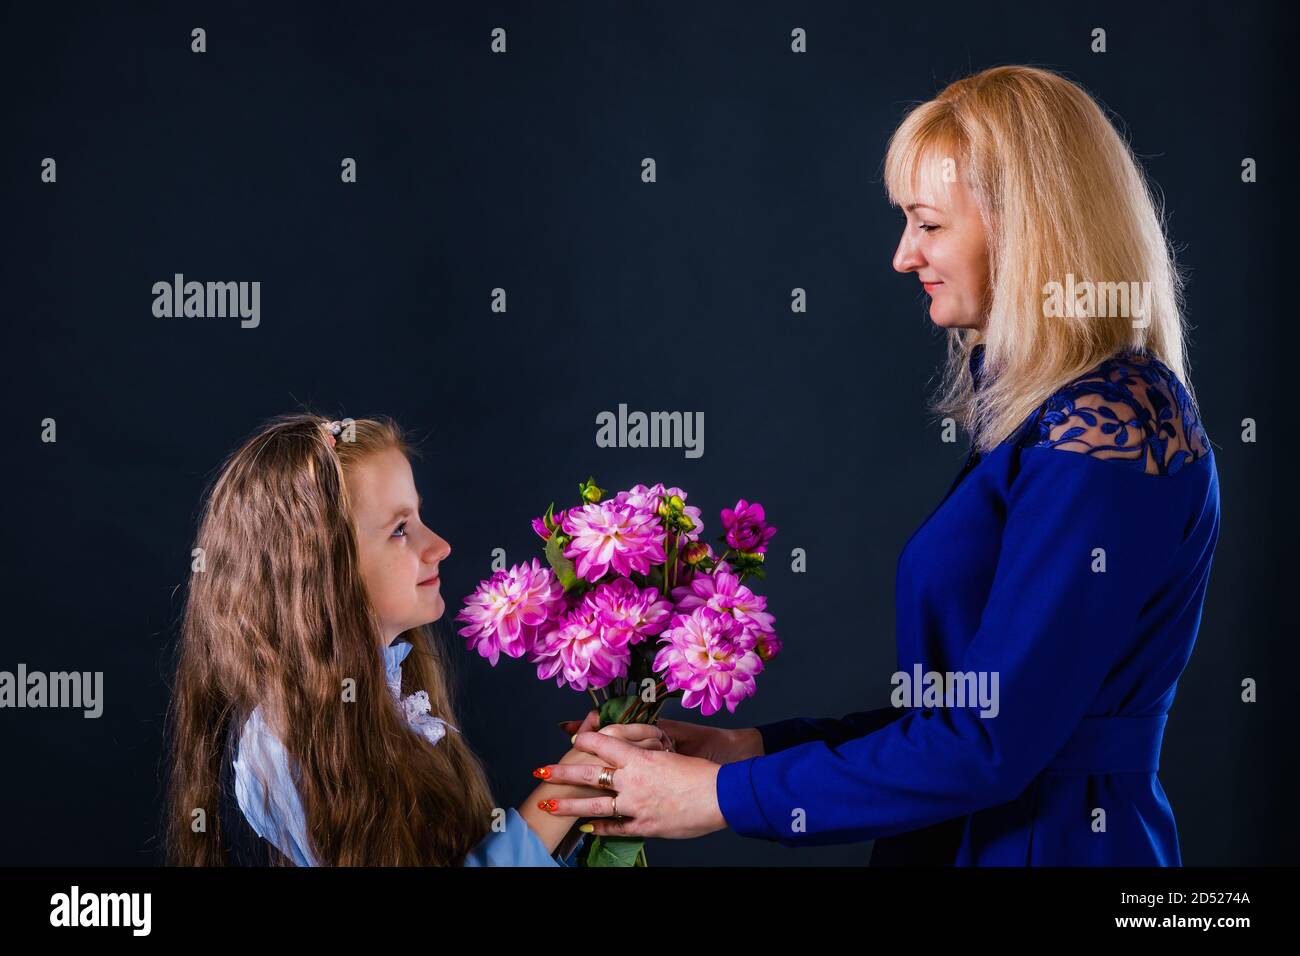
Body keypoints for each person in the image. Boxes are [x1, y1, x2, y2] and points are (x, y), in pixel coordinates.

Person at [542, 65, 1220, 865]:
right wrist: (749, 751)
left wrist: (720, 800)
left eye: (927, 225)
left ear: (1024, 227)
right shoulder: (1056, 414)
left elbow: (986, 745)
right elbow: (972, 711)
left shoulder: (1105, 430)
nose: (905, 256)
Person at [165, 413, 665, 866]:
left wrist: (591, 790)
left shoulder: (391, 689)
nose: (440, 546)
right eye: (401, 529)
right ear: (317, 570)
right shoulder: (283, 743)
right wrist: (562, 794)